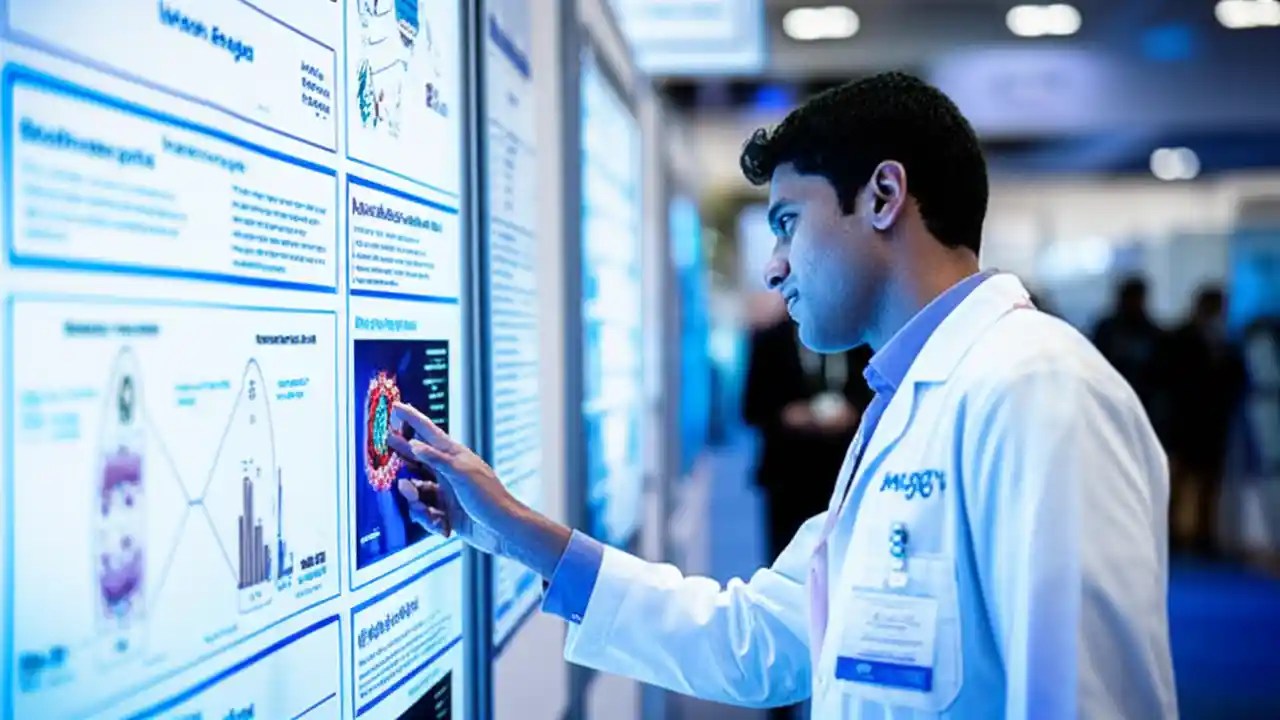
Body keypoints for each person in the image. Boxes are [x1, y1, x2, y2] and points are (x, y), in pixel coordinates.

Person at [386, 72, 1177, 718]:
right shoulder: (907, 406)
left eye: (788, 223)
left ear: (882, 196)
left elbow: (1089, 703)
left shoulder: (1037, 390)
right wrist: (515, 533)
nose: (772, 267)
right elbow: (758, 641)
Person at [743, 310, 873, 563]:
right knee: (784, 562)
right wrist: (788, 416)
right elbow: (751, 408)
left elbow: (873, 394)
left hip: (840, 472)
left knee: (842, 561)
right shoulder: (771, 339)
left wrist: (852, 412)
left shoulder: (856, 340)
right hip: (788, 477)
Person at [1164, 286, 1247, 556]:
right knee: (1178, 481)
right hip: (1185, 423)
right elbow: (1169, 379)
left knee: (1210, 484)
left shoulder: (1227, 342)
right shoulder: (1179, 337)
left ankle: (1203, 536)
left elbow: (1235, 378)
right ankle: (1171, 535)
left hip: (1214, 424)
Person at [1091, 276, 1170, 438]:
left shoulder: (1152, 333)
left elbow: (1160, 373)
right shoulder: (1107, 329)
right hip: (1109, 400)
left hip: (1143, 403)